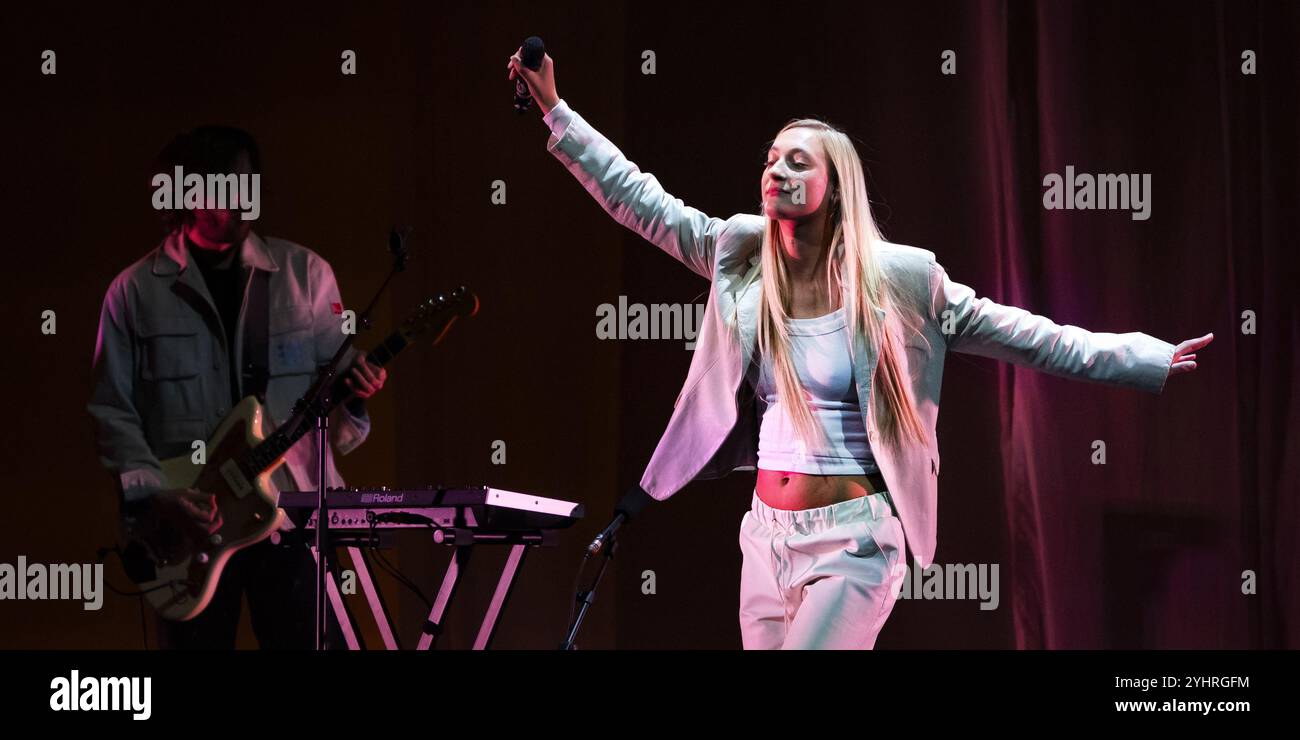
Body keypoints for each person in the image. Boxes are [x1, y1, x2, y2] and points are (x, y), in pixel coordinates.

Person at [507, 49, 1213, 649]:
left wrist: (1143, 356)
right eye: (772, 159)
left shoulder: (903, 281)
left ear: (835, 185)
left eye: (798, 162)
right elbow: (641, 199)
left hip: (853, 544)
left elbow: (1028, 334)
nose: (776, 171)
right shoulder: (740, 254)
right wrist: (556, 112)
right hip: (765, 539)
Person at [88, 126, 388, 648]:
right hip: (189, 531)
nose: (241, 199)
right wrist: (156, 495)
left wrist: (356, 393)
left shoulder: (308, 276)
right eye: (223, 187)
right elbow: (112, 411)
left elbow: (337, 421)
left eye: (248, 184)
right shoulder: (133, 293)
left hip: (295, 521)